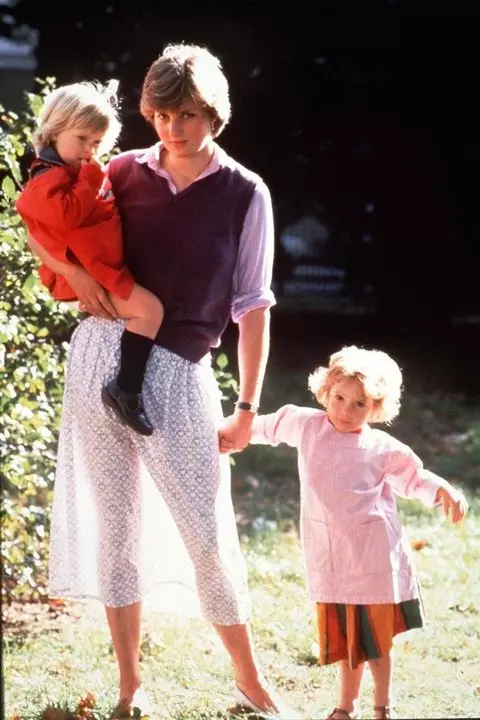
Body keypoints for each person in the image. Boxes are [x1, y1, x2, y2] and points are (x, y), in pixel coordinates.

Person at [25, 44, 300, 719]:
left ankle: (251, 683)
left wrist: (248, 406)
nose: (173, 128)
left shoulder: (244, 192)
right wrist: (83, 280)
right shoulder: (115, 170)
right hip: (98, 358)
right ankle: (129, 687)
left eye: (188, 114)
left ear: (215, 113)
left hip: (178, 373)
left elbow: (253, 306)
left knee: (206, 533)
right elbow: (39, 223)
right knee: (117, 530)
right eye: (162, 114)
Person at [249, 345, 469, 720]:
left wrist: (444, 490)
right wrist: (222, 434)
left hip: (373, 555)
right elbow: (262, 427)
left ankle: (383, 707)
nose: (346, 411)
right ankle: (344, 708)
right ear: (326, 391)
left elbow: (414, 478)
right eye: (339, 398)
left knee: (376, 640)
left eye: (359, 404)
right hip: (332, 556)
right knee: (348, 640)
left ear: (376, 408)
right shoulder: (305, 424)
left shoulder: (381, 447)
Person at [16, 81, 164, 436]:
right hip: (90, 275)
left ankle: (125, 388)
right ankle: (125, 390)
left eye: (96, 143)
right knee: (150, 310)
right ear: (54, 131)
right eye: (81, 139)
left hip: (99, 270)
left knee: (146, 310)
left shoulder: (66, 174)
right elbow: (67, 217)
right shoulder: (46, 178)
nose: (89, 151)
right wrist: (92, 175)